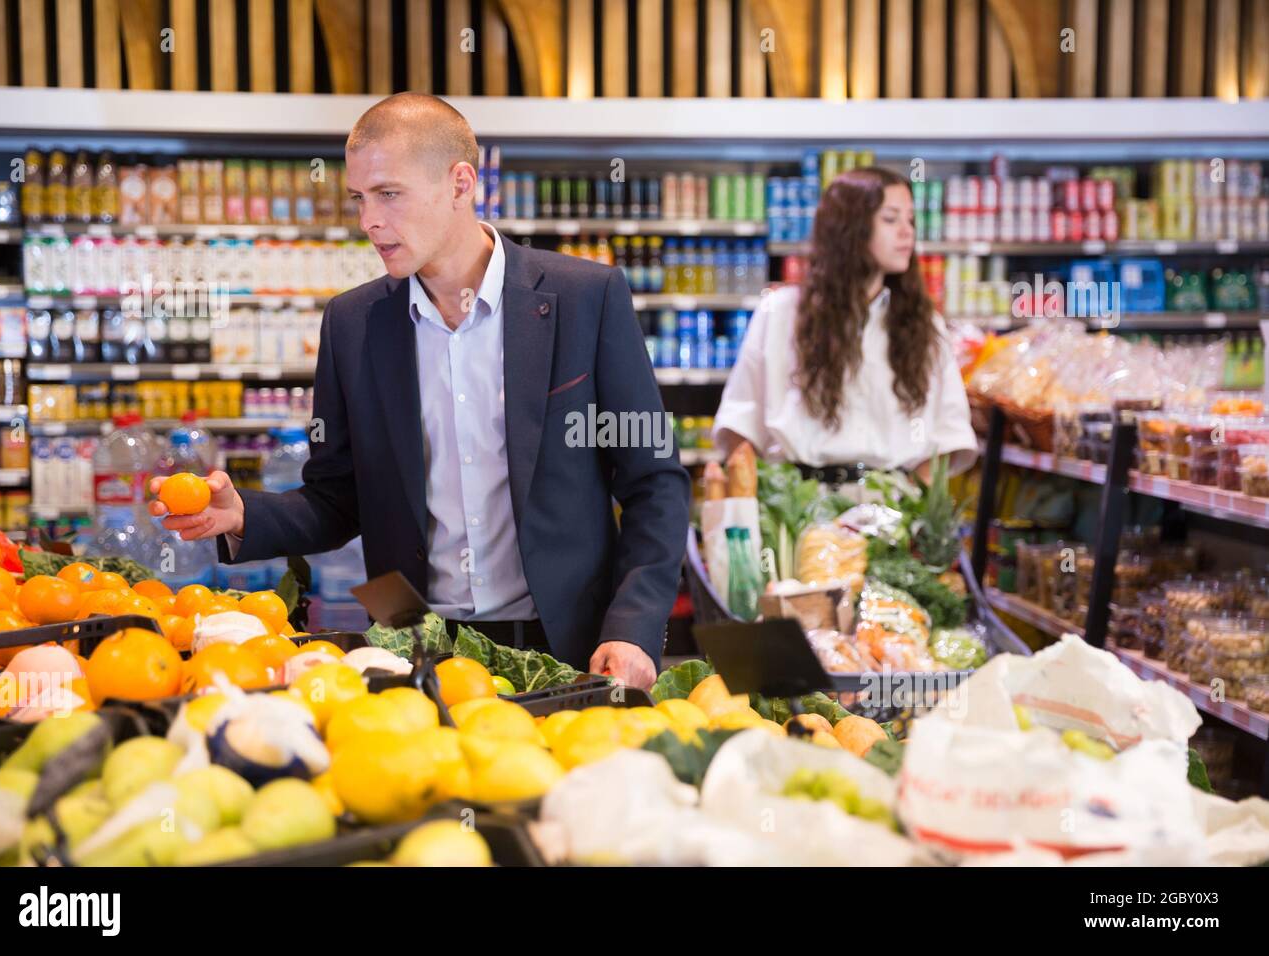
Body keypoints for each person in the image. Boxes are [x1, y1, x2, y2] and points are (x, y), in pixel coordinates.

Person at [149, 93, 689, 689]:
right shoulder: (354, 324)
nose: (368, 222)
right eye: (358, 198)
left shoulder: (586, 298)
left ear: (461, 183)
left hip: (568, 648)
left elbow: (653, 483)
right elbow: (336, 499)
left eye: (388, 194)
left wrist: (634, 625)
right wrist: (242, 514)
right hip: (416, 650)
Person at [713, 166, 977, 485]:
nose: (907, 232)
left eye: (910, 220)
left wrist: (907, 505)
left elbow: (950, 434)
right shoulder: (781, 313)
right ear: (849, 229)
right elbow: (739, 423)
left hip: (891, 510)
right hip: (800, 509)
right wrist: (766, 506)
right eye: (891, 219)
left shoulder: (924, 324)